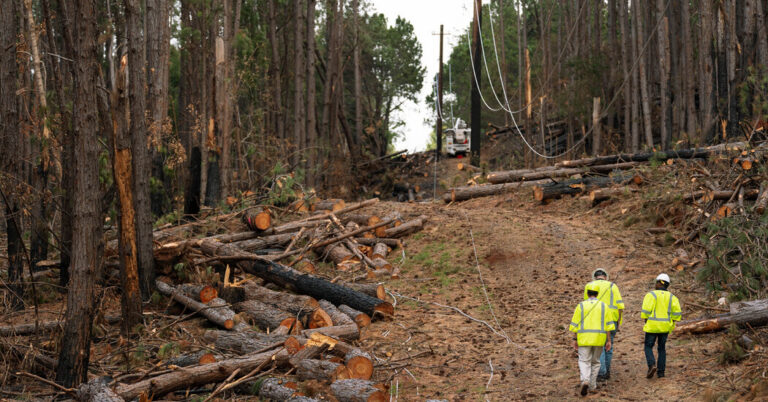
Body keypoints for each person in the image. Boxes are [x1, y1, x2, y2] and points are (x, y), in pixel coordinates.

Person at [570, 282, 615, 396]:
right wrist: (608, 340)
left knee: (584, 361)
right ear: (597, 293)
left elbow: (575, 324)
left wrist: (575, 339)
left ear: (587, 293)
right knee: (595, 362)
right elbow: (608, 326)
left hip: (584, 339)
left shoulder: (581, 305)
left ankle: (585, 380)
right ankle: (592, 385)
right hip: (599, 339)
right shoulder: (604, 306)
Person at [583, 269, 624, 381]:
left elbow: (586, 305)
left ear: (594, 277)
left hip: (596, 321)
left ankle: (601, 373)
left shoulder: (589, 285)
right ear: (605, 276)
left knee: (599, 346)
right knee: (609, 346)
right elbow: (620, 307)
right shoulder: (613, 286)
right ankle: (606, 371)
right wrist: (619, 322)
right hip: (612, 320)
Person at [641, 273, 682, 379]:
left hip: (652, 326)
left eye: (656, 282)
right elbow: (676, 315)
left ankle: (651, 365)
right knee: (662, 348)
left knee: (648, 346)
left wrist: (646, 321)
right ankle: (661, 372)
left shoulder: (651, 295)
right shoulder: (673, 298)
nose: (655, 284)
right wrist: (671, 325)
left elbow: (645, 312)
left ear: (660, 283)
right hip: (665, 327)